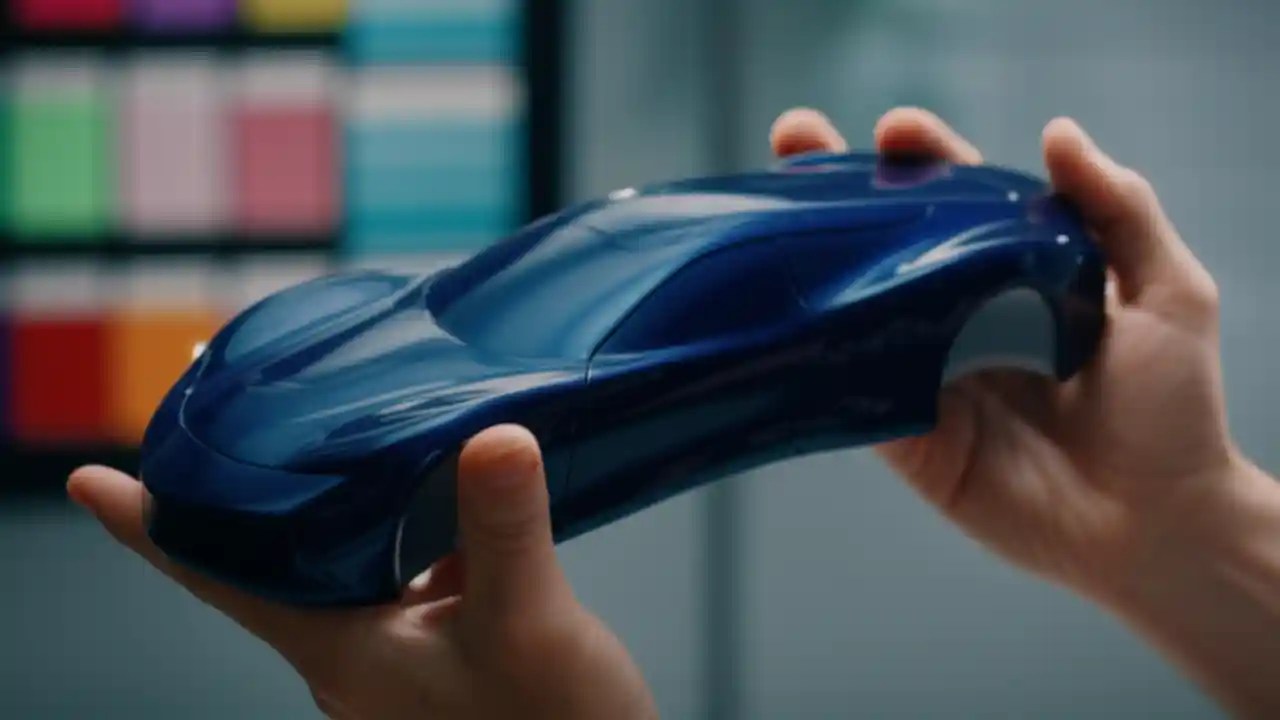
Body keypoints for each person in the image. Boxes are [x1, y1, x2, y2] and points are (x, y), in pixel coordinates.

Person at [67, 106, 1280, 720]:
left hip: (792, 281)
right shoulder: (352, 332)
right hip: (505, 298)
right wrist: (1175, 529)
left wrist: (1174, 513)